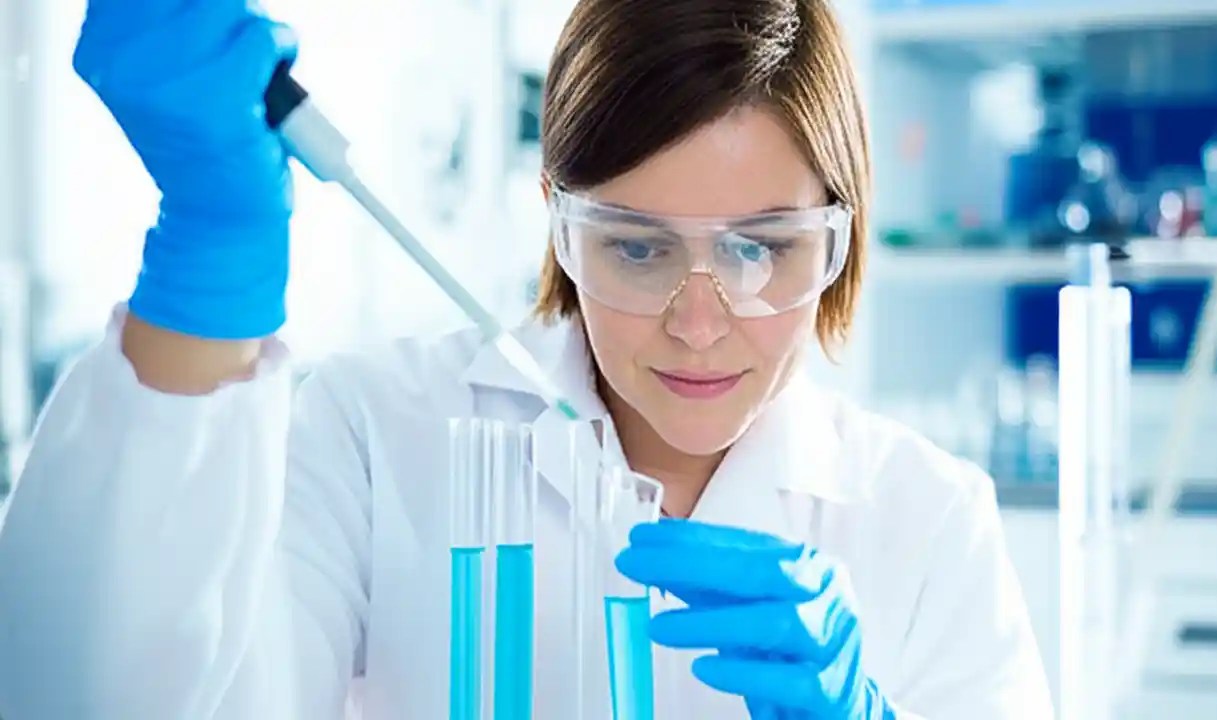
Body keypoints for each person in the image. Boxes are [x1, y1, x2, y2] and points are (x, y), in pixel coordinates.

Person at [0, 0, 1054, 718]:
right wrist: (207, 262)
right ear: (558, 224)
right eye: (636, 247)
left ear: (839, 235)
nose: (699, 322)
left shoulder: (925, 518)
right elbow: (110, 693)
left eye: (760, 249)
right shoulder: (379, 433)